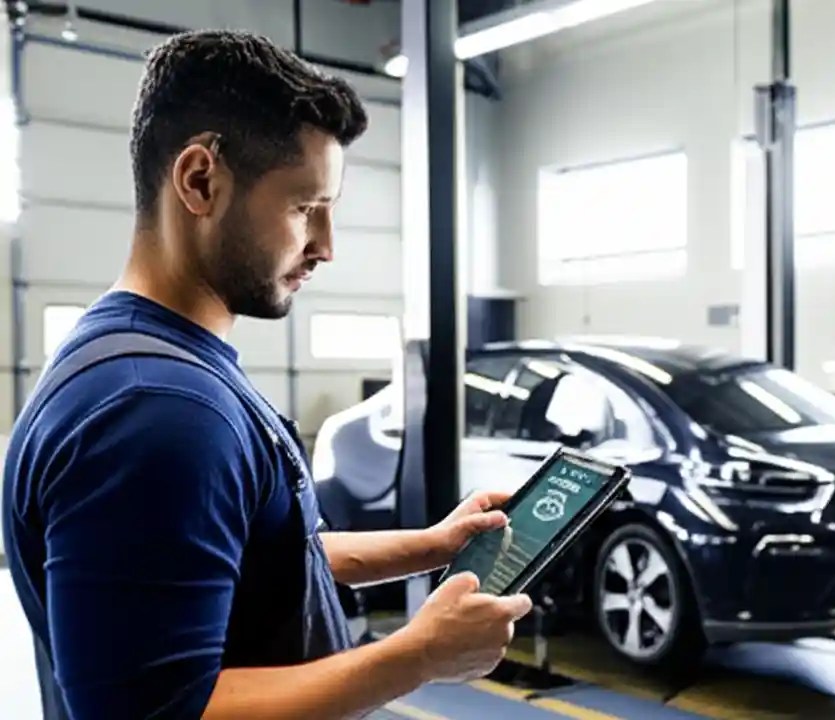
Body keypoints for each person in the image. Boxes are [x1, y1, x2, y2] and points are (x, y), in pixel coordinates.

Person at [1, 29, 532, 719]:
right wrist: (417, 655)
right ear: (200, 181)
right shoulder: (158, 411)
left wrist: (431, 546)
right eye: (305, 208)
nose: (327, 246)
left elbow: (248, 554)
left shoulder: (142, 359)